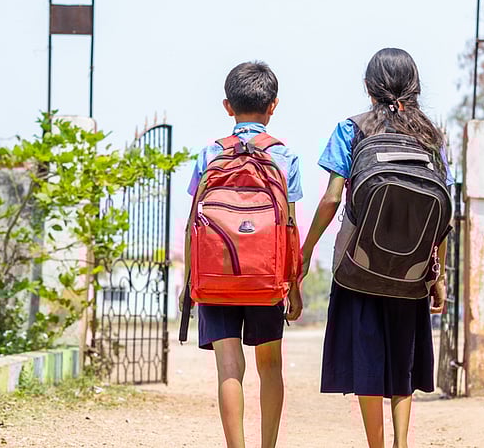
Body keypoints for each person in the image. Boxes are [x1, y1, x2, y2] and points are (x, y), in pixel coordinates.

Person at [300, 47, 451, 448]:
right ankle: (402, 442)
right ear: (415, 87)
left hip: (358, 267)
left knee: (367, 361)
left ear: (368, 87)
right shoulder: (432, 137)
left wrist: (306, 250)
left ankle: (377, 445)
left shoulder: (350, 129)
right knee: (403, 360)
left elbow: (332, 199)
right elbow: (443, 216)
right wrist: (438, 276)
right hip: (412, 272)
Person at [184, 61, 303, 448]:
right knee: (270, 367)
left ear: (226, 105)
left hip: (216, 277)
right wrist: (294, 286)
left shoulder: (209, 154)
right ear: (274, 106)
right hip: (266, 278)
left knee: (229, 368)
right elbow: (289, 226)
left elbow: (192, 225)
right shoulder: (284, 157)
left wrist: (190, 282)